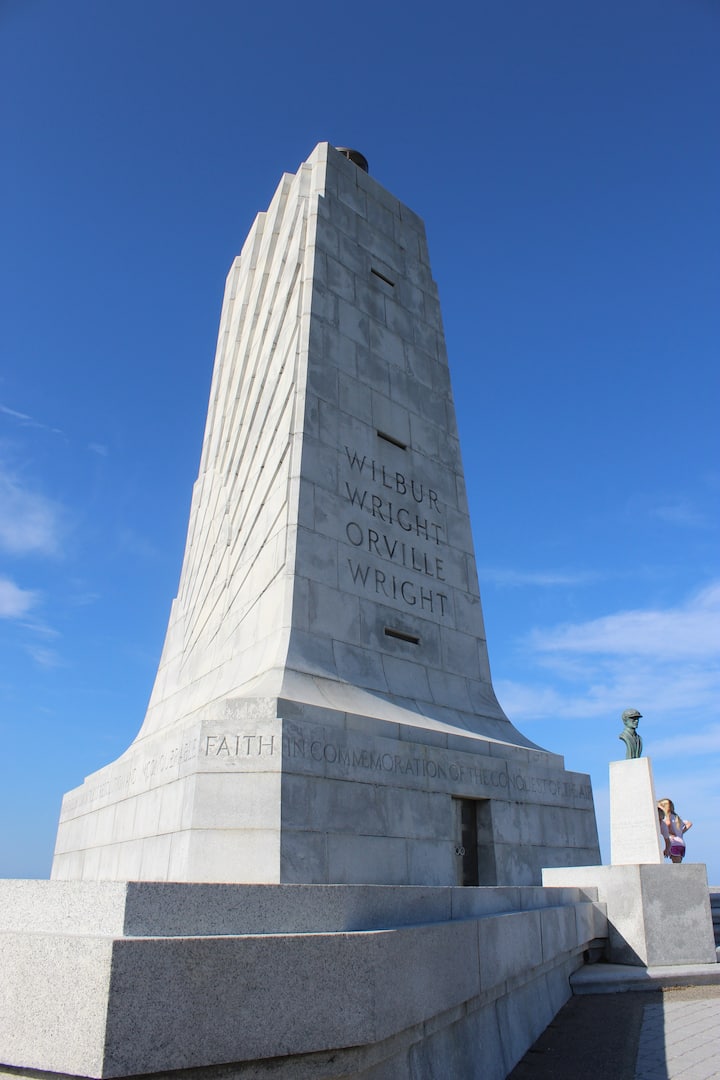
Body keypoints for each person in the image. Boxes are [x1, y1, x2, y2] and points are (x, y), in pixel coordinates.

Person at [658, 798, 692, 863]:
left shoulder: (668, 817)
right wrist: (682, 832)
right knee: (678, 864)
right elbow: (689, 823)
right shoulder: (677, 818)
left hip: (674, 843)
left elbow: (668, 823)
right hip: (681, 843)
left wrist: (670, 832)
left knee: (676, 865)